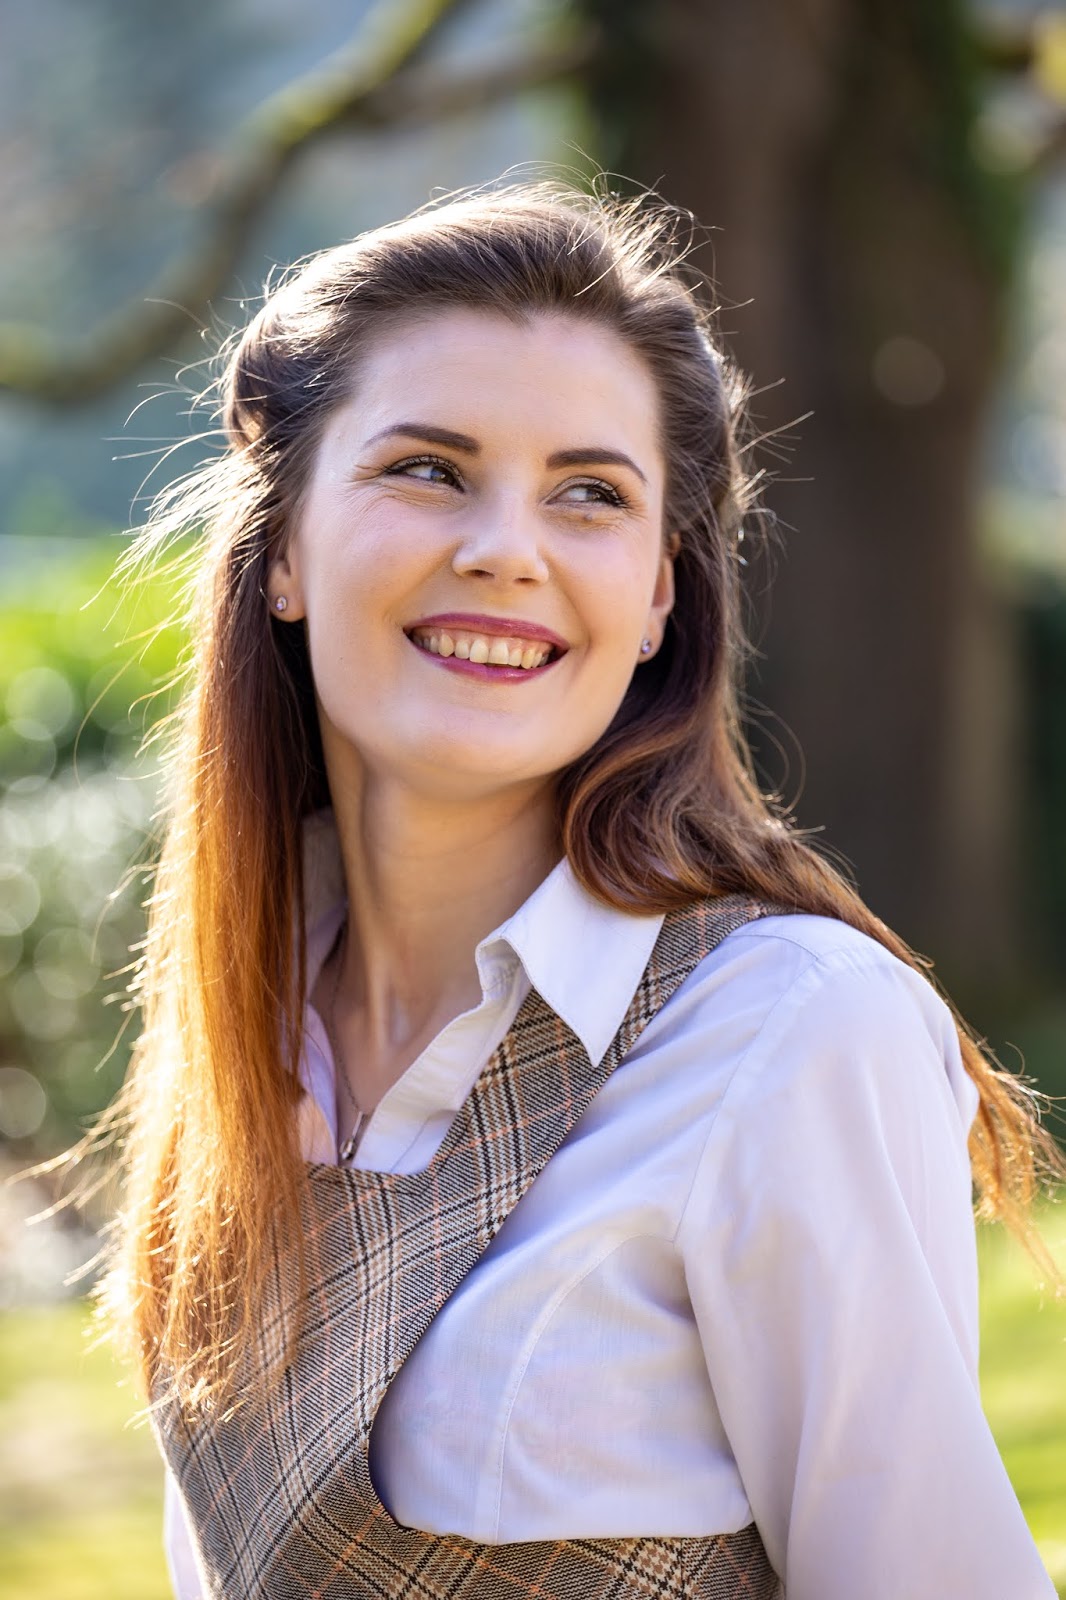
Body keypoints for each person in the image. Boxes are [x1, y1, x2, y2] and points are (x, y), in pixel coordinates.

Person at [98, 181, 1062, 1600]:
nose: (507, 547)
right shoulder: (247, 1017)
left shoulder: (787, 1031)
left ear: (660, 593)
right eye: (428, 469)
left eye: (590, 493)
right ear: (284, 548)